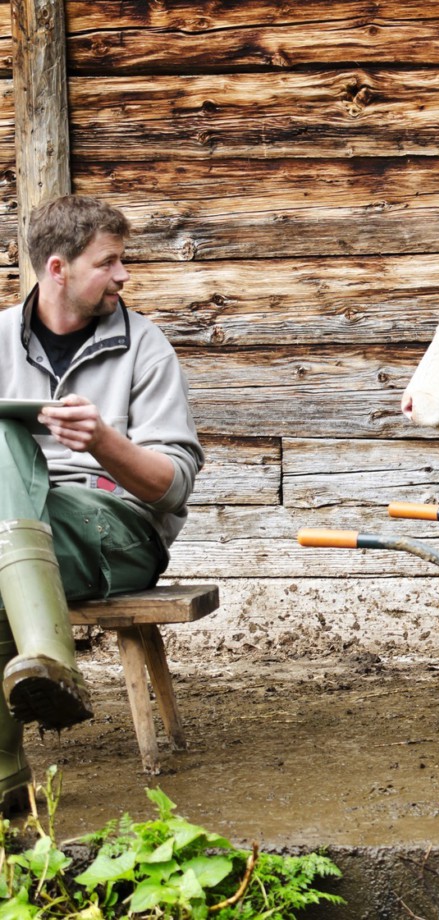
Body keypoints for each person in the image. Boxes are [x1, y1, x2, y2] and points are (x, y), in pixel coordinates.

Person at [0, 195, 204, 813]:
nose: (123, 275)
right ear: (56, 269)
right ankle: (42, 670)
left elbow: (173, 486)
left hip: (118, 528)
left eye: (123, 260)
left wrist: (106, 444)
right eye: (108, 262)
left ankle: (11, 758)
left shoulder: (145, 347)